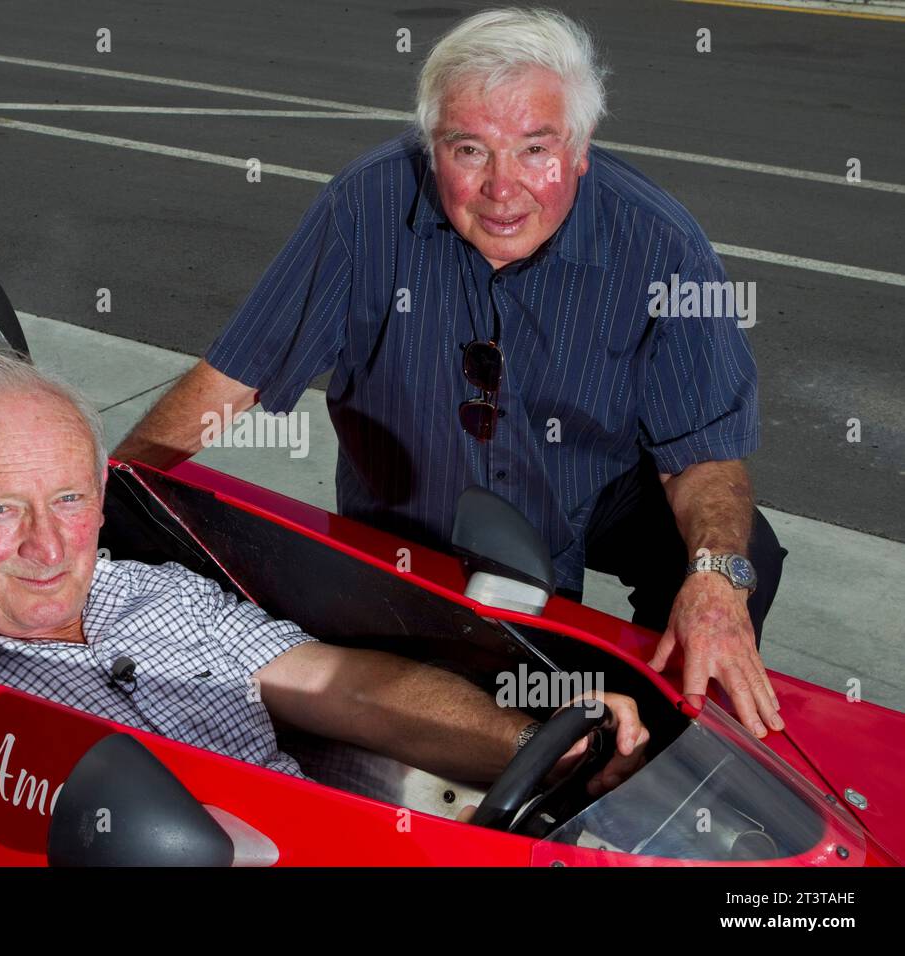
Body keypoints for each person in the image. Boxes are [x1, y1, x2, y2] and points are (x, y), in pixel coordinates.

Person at [113, 7, 787, 740]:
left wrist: (716, 580)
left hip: (582, 492)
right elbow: (233, 379)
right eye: (470, 150)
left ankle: (655, 729)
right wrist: (107, 502)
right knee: (445, 714)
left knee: (743, 550)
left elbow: (706, 452)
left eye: (536, 150)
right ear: (432, 146)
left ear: (583, 148)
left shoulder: (662, 244)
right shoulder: (362, 208)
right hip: (414, 510)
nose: (504, 188)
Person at [0, 342, 649, 803]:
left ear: (99, 503)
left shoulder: (160, 592)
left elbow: (347, 688)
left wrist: (532, 747)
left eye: (67, 500)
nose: (49, 546)